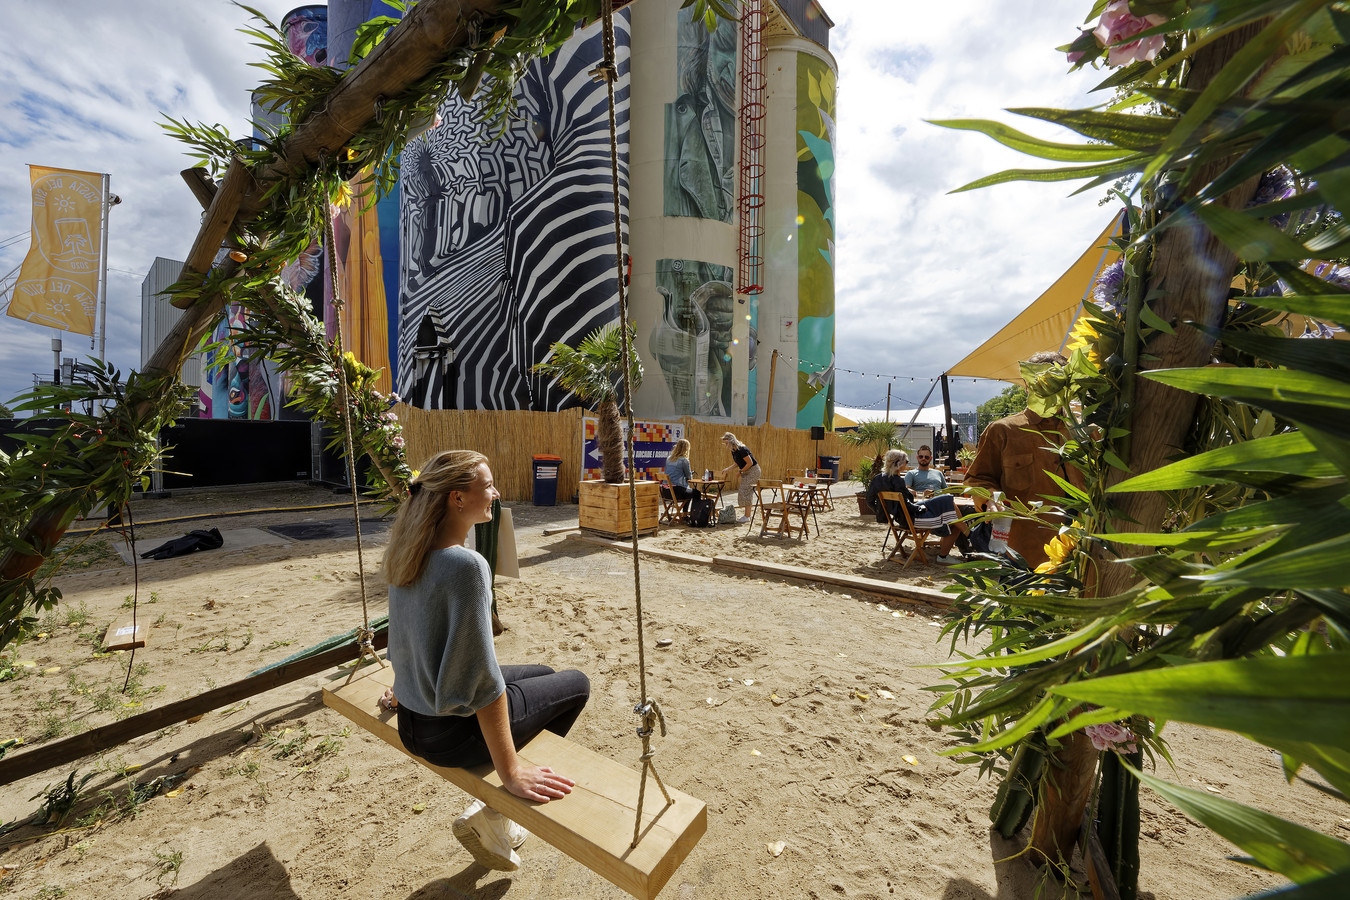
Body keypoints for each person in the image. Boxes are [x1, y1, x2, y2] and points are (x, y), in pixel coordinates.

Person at [384, 450, 591, 872]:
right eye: (488, 486)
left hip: (412, 719)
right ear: (457, 499)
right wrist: (511, 772)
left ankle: (499, 805)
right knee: (576, 684)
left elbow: (408, 638)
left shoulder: (408, 549)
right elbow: (483, 683)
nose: (496, 494)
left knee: (543, 674)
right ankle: (497, 813)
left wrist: (405, 687)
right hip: (448, 737)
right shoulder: (465, 566)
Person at [964, 351, 1083, 569]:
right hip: (1024, 554)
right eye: (1041, 384)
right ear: (1027, 386)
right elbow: (977, 479)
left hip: (1083, 554)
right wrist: (990, 499)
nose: (1048, 390)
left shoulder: (1084, 432)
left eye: (1056, 383)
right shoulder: (1004, 431)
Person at [866, 449, 969, 564]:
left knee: (947, 500)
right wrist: (921, 508)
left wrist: (886, 513)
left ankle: (969, 534)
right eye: (906, 461)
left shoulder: (877, 479)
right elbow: (908, 506)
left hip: (902, 518)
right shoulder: (897, 481)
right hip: (911, 519)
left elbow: (869, 501)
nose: (907, 464)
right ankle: (950, 551)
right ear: (899, 464)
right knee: (954, 522)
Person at [719, 431, 760, 523]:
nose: (726, 445)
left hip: (753, 471)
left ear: (731, 441)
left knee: (745, 491)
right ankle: (747, 515)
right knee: (744, 491)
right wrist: (728, 469)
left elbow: (750, 463)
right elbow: (738, 463)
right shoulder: (734, 451)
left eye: (726, 443)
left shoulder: (742, 449)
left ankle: (747, 516)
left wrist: (740, 472)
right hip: (746, 470)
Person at [663, 438, 702, 514]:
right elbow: (689, 477)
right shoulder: (684, 460)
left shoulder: (669, 459)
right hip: (676, 492)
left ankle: (684, 514)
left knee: (689, 492)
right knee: (696, 493)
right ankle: (695, 514)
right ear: (686, 449)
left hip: (665, 491)